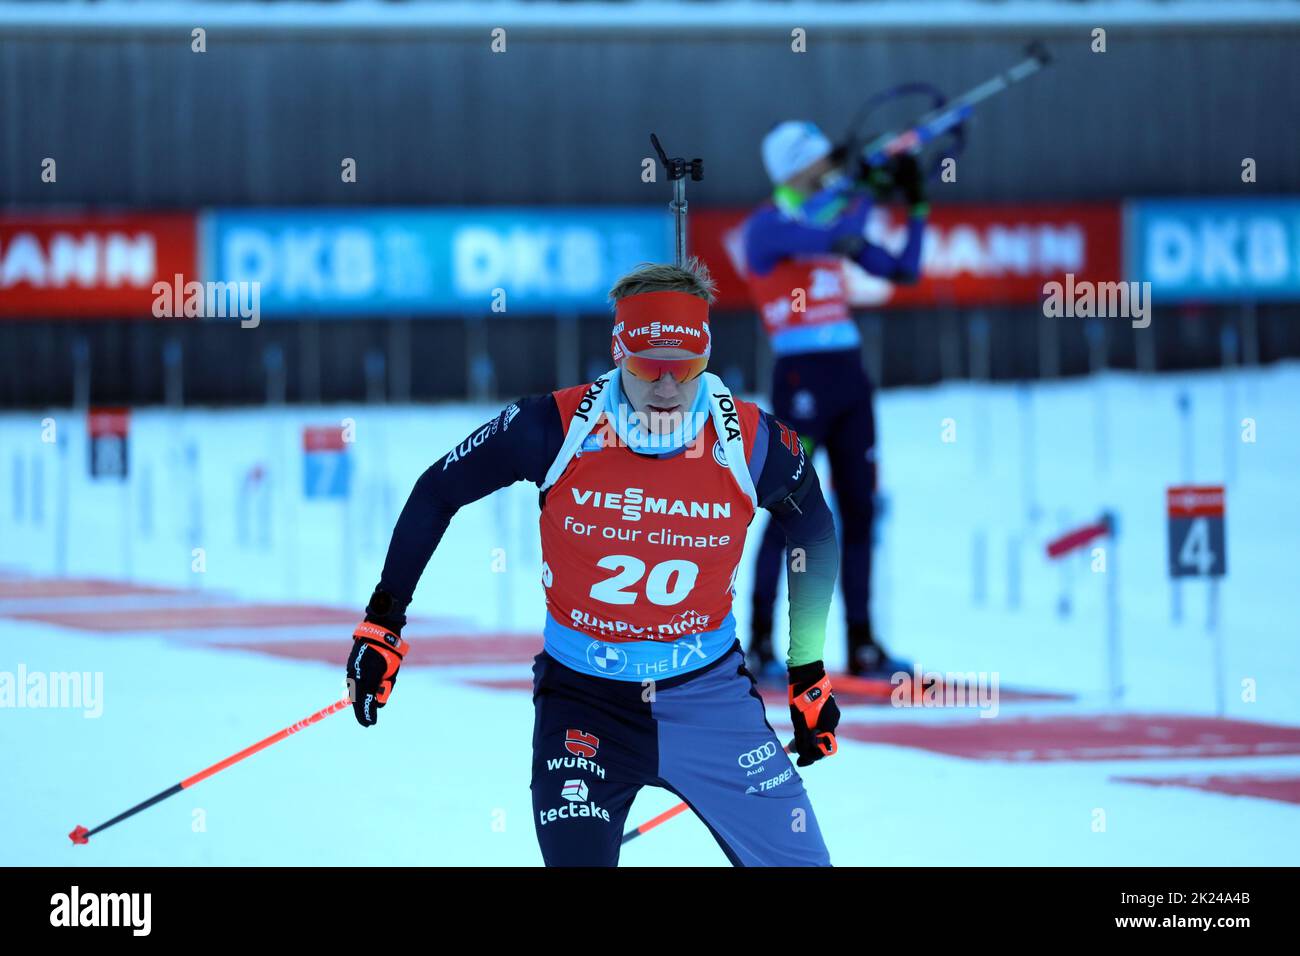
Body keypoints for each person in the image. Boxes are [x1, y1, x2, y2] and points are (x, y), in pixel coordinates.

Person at [345, 259, 841, 867]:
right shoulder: (555, 428)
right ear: (617, 354)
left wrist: (807, 670)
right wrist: (383, 622)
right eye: (646, 367)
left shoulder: (748, 441)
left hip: (708, 700)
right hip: (585, 702)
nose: (666, 389)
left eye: (684, 370)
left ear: (706, 357)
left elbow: (812, 528)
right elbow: (437, 490)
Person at [739, 119, 929, 680]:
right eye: (818, 163)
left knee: (860, 511)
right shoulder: (767, 226)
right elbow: (827, 234)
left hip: (848, 374)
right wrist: (865, 189)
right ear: (793, 169)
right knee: (789, 510)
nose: (828, 170)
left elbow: (903, 269)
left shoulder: (833, 216)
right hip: (800, 377)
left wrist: (915, 207)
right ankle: (760, 644)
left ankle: (864, 644)